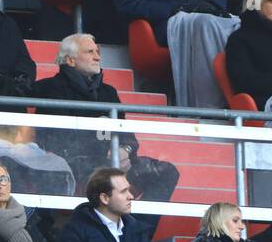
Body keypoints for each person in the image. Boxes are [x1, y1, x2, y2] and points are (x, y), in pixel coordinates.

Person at [33, 34, 180, 203]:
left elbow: (127, 136)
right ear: (70, 60)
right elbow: (62, 143)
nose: (98, 57)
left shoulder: (108, 92)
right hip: (77, 167)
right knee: (108, 182)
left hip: (112, 163)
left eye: (97, 51)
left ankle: (136, 228)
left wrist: (125, 150)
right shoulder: (51, 90)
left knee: (166, 171)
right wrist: (108, 156)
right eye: (90, 52)